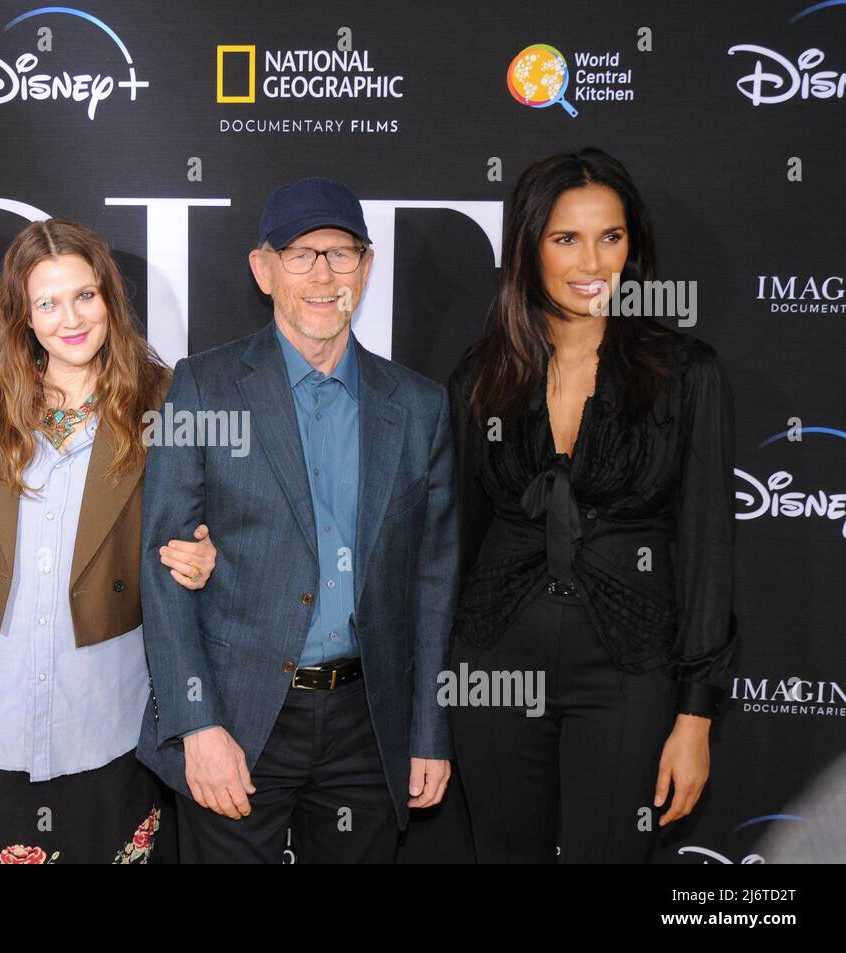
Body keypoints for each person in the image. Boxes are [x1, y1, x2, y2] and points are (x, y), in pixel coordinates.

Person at [138, 177, 460, 863]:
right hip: (240, 712)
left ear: (367, 268)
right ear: (263, 268)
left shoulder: (420, 407)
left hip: (367, 723)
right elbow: (163, 566)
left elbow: (434, 582)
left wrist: (428, 728)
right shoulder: (204, 386)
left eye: (341, 253)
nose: (323, 274)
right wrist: (197, 722)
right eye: (300, 253)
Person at [447, 148, 738, 863]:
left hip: (628, 666)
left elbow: (706, 550)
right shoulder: (482, 376)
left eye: (611, 236)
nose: (593, 261)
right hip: (494, 660)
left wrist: (695, 713)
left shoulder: (686, 374)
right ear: (529, 248)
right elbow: (453, 541)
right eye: (565, 238)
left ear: (633, 245)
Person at [0, 219, 216, 864]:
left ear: (110, 300)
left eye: (85, 296)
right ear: (22, 315)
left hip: (107, 716)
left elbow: (207, 519)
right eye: (48, 302)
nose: (71, 318)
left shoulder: (165, 398)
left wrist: (206, 556)